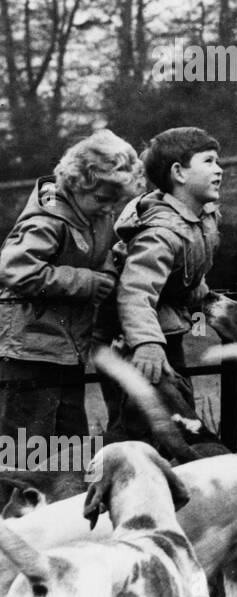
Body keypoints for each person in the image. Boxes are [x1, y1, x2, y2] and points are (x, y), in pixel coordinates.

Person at [0, 130, 141, 444]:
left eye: (115, 202)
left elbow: (99, 253)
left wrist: (107, 269)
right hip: (30, 352)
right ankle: (11, 494)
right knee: (24, 449)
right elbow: (15, 268)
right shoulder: (47, 219)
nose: (108, 209)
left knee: (69, 446)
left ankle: (65, 493)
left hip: (66, 349)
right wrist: (87, 282)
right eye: (103, 199)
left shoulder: (91, 212)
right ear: (78, 183)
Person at [107, 127, 222, 442]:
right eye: (209, 161)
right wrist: (145, 342)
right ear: (179, 173)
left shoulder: (199, 219)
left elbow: (186, 276)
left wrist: (208, 300)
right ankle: (106, 482)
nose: (219, 169)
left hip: (167, 332)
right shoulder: (161, 232)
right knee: (141, 425)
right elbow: (135, 291)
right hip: (136, 342)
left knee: (176, 417)